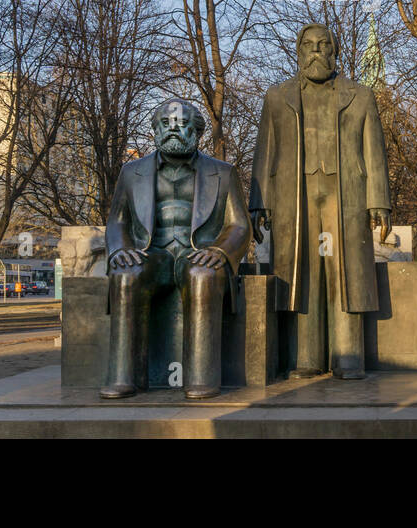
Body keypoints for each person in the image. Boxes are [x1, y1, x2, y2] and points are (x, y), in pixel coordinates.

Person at [249, 23, 392, 380]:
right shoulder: (276, 97)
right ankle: (307, 358)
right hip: (294, 194)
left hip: (347, 194)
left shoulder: (360, 95)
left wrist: (380, 201)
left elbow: (374, 150)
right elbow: (265, 152)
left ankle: (348, 357)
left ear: (334, 52)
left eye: (323, 45)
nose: (316, 51)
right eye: (308, 45)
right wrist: (258, 203)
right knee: (303, 271)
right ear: (298, 52)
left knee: (345, 272)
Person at [102, 98, 251, 400]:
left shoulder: (223, 172)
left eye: (181, 125)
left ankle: (202, 378)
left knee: (202, 273)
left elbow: (239, 225)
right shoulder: (132, 172)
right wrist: (119, 250)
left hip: (197, 252)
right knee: (127, 272)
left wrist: (221, 252)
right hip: (152, 254)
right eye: (166, 125)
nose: (173, 130)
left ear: (197, 132)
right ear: (154, 130)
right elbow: (117, 221)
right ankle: (123, 377)